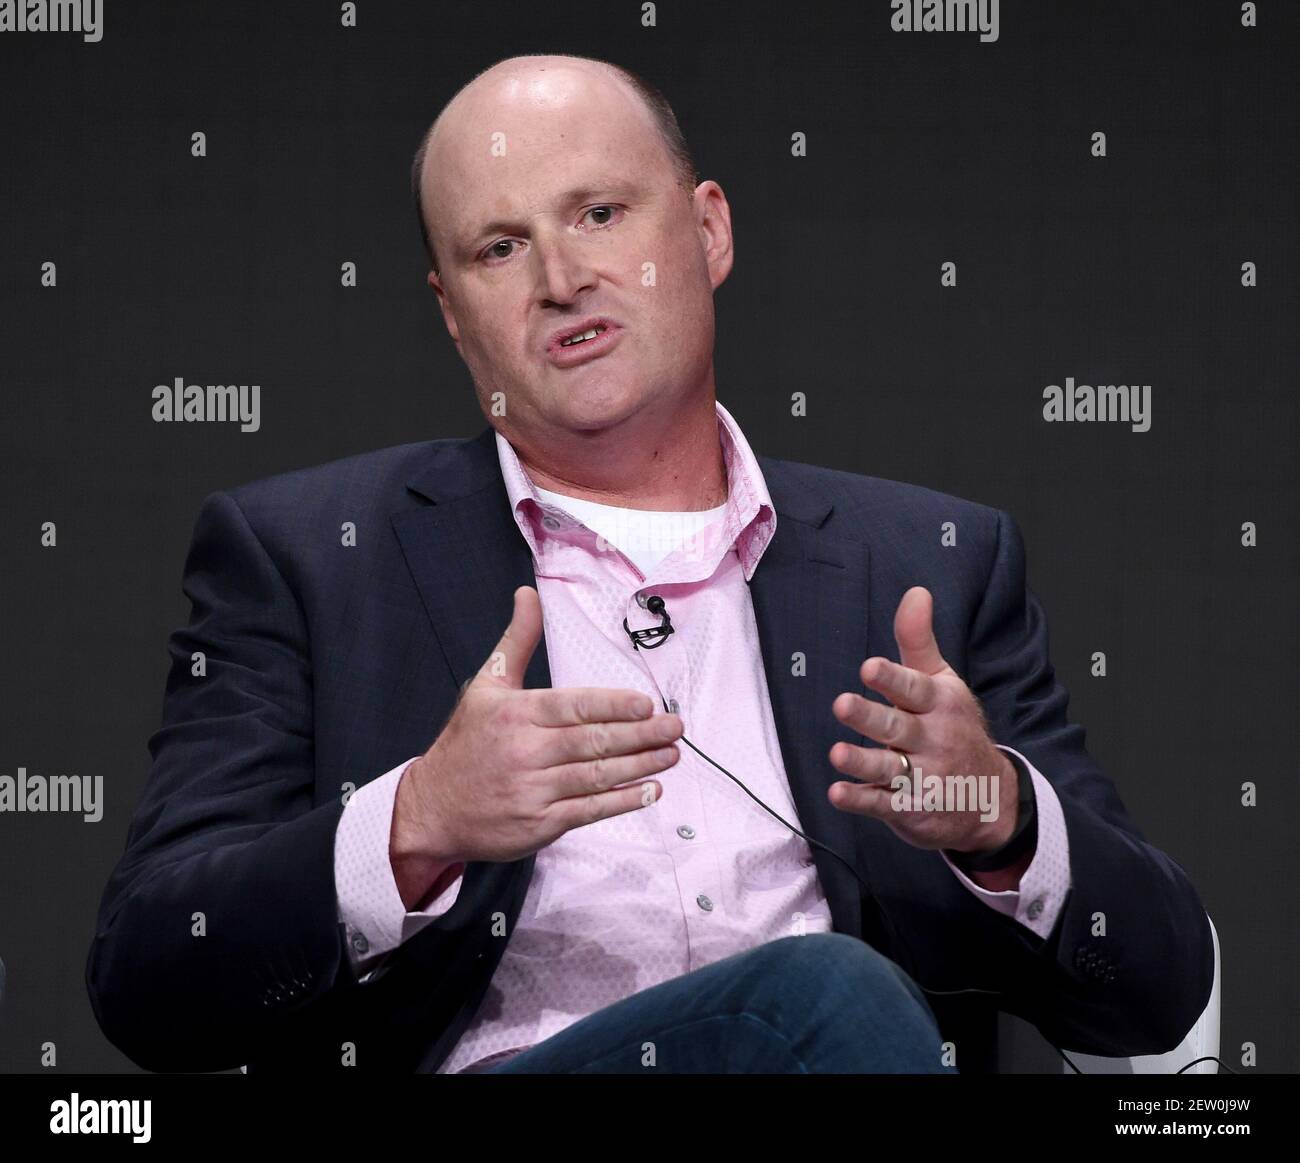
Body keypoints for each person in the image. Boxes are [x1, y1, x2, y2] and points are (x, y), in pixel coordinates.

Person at [86, 53, 1214, 1074]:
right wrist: (414, 819)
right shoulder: (304, 555)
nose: (561, 276)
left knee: (832, 1006)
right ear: (452, 313)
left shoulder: (930, 563)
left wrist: (998, 814)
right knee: (821, 996)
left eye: (599, 212)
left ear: (709, 231)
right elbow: (148, 975)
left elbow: (1159, 991)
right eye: (498, 246)